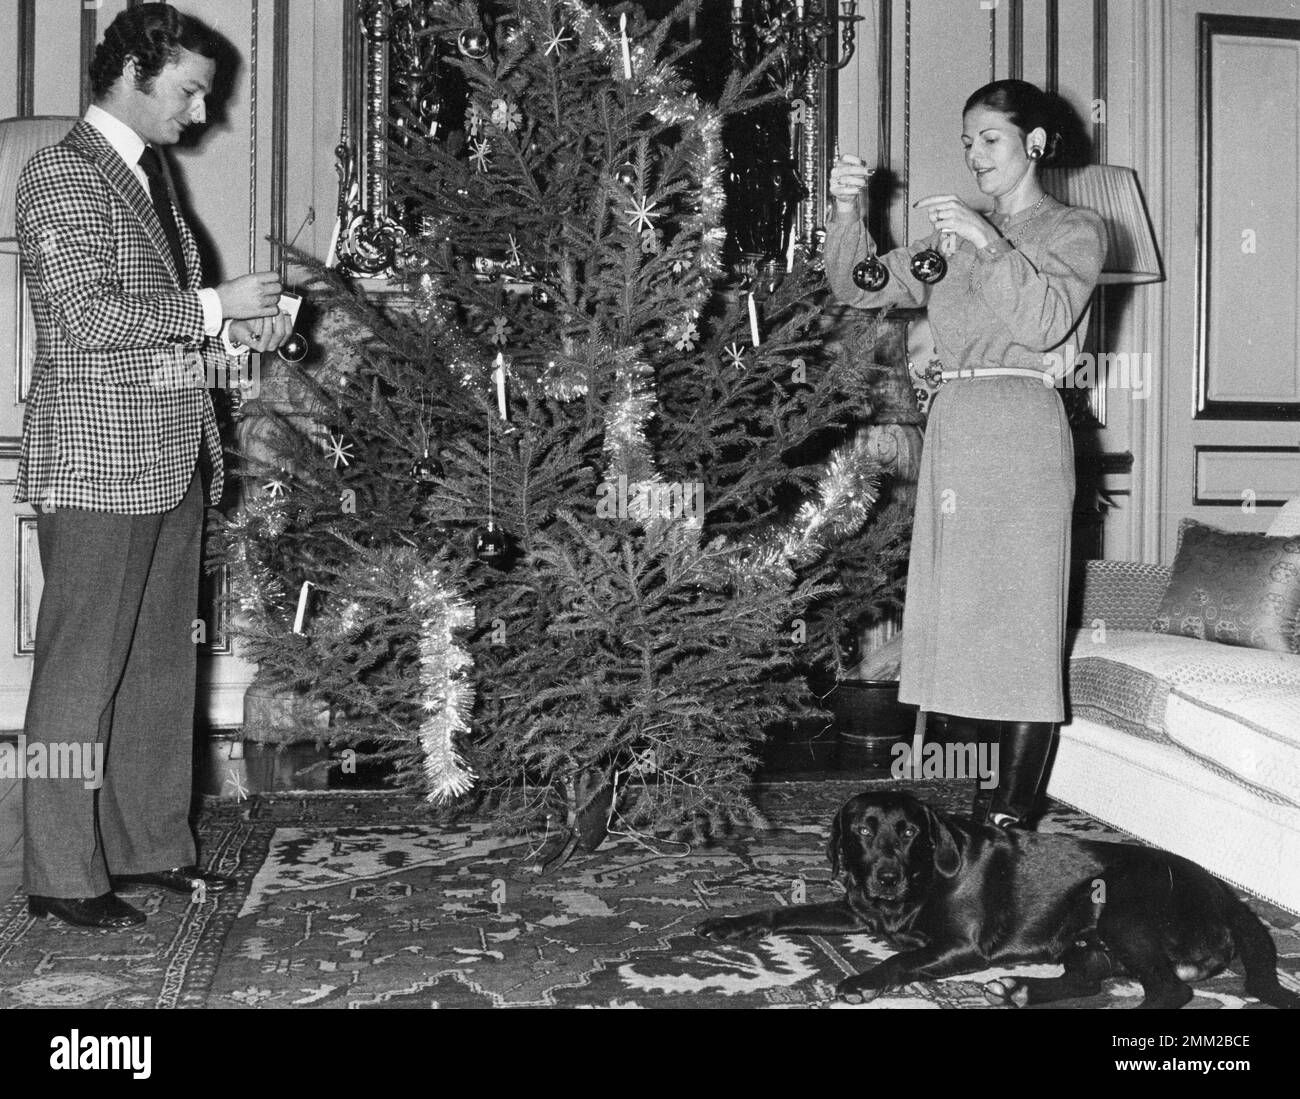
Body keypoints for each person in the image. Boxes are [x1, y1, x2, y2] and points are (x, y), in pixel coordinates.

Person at [15, 3, 293, 929]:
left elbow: (161, 336)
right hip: (99, 464)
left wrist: (237, 335)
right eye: (189, 91)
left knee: (157, 671)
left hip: (171, 457)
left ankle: (146, 848)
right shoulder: (62, 173)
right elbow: (88, 318)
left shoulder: (149, 177)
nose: (202, 115)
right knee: (79, 669)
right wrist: (214, 305)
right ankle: (60, 870)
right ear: (135, 73)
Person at [826, 80, 1107, 829]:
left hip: (1022, 432)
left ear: (1035, 144)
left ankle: (1009, 824)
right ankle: (985, 810)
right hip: (958, 435)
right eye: (966, 142)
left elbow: (1045, 321)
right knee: (969, 633)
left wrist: (987, 241)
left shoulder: (1075, 230)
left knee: (1020, 633)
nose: (974, 155)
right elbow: (862, 287)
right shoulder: (949, 240)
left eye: (990, 139)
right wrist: (849, 212)